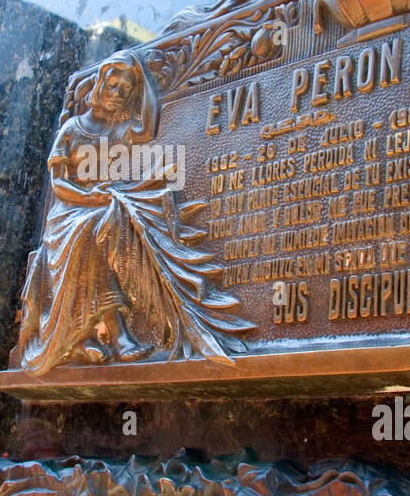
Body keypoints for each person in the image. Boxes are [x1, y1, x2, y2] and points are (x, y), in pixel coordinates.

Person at [18, 49, 252, 374]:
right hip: (69, 214)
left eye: (125, 91)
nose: (116, 95)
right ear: (100, 86)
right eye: (112, 87)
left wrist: (145, 80)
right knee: (96, 226)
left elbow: (149, 125)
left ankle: (93, 334)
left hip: (103, 207)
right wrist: (90, 199)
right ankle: (113, 334)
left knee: (107, 224)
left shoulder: (120, 131)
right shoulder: (72, 129)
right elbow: (58, 185)